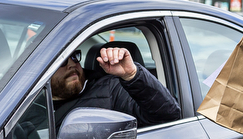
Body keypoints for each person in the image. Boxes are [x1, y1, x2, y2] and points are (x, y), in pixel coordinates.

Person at [50, 44, 180, 126]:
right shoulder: (37, 94)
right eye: (62, 61)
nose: (72, 64)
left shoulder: (111, 89)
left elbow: (167, 115)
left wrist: (132, 75)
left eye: (74, 57)